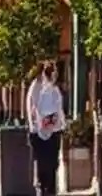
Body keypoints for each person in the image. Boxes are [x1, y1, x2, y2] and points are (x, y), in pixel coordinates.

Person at [27, 61, 66, 196]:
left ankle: (45, 190)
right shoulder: (44, 89)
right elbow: (45, 111)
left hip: (43, 132)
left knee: (47, 167)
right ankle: (45, 191)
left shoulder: (48, 89)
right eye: (54, 72)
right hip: (45, 132)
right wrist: (54, 123)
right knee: (47, 168)